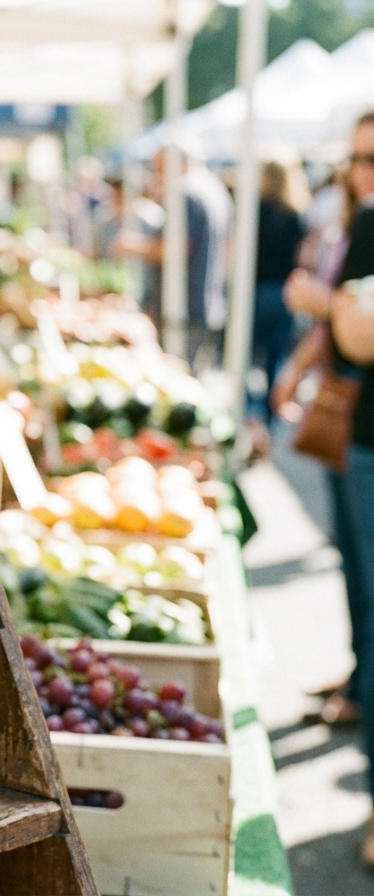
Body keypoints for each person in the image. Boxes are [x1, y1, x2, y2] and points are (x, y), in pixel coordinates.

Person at [283, 109, 374, 867]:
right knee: (361, 580)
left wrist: (324, 304)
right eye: (356, 157)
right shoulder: (366, 220)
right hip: (362, 431)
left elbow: (358, 331)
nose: (361, 171)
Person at [120, 151, 233, 370]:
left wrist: (133, 246)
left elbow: (178, 246)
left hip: (184, 306)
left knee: (177, 375)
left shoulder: (185, 191)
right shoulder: (214, 188)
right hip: (207, 301)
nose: (156, 176)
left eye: (158, 169)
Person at [250, 161, 306, 426]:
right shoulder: (296, 213)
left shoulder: (259, 209)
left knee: (251, 357)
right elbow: (301, 255)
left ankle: (251, 416)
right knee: (275, 359)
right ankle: (269, 420)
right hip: (284, 294)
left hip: (260, 290)